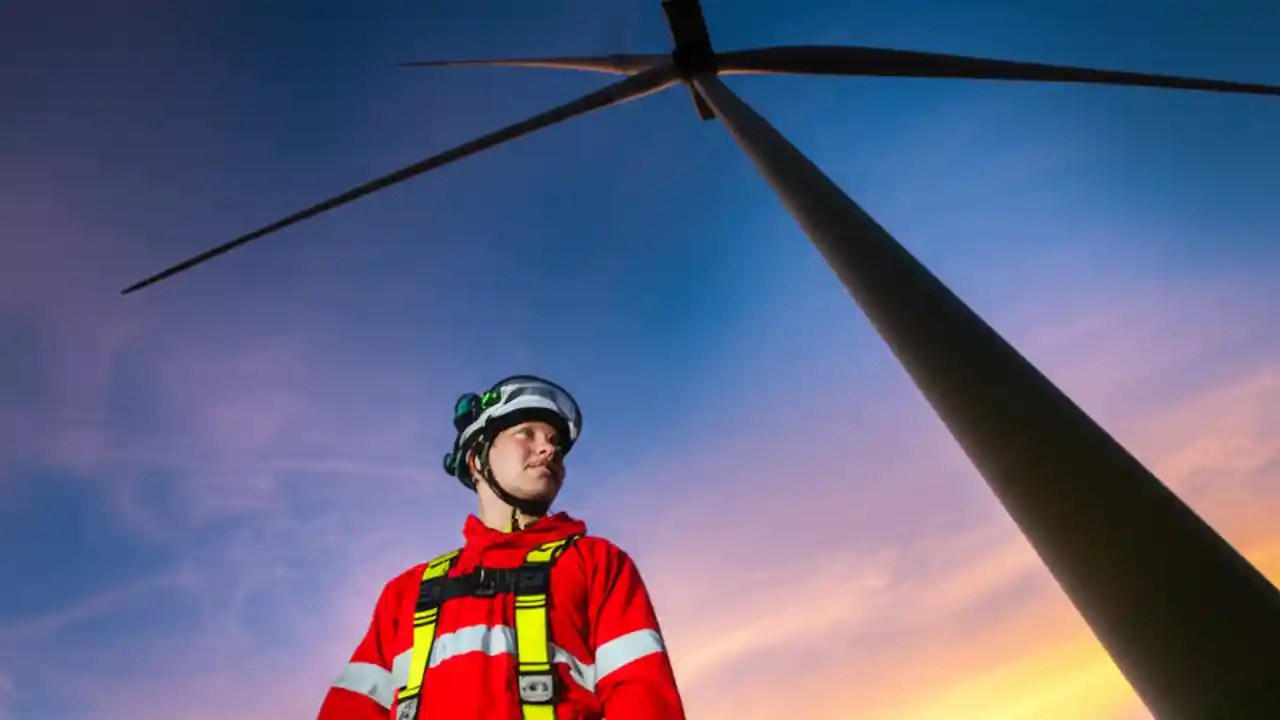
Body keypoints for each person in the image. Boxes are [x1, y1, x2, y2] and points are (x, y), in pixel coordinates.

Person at [318, 375, 686, 719]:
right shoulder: (405, 593)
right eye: (527, 433)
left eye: (555, 441)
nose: (548, 449)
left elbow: (644, 698)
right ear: (477, 460)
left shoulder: (598, 564)